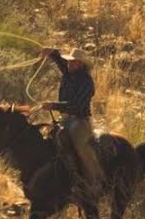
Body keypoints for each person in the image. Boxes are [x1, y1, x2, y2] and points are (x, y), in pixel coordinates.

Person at [40, 47, 102, 198]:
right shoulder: (69, 73)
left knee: (81, 146)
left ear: (80, 64)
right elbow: (61, 62)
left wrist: (54, 105)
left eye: (73, 62)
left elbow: (77, 106)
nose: (69, 64)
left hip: (80, 121)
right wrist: (51, 52)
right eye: (69, 61)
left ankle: (95, 181)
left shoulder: (87, 82)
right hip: (65, 119)